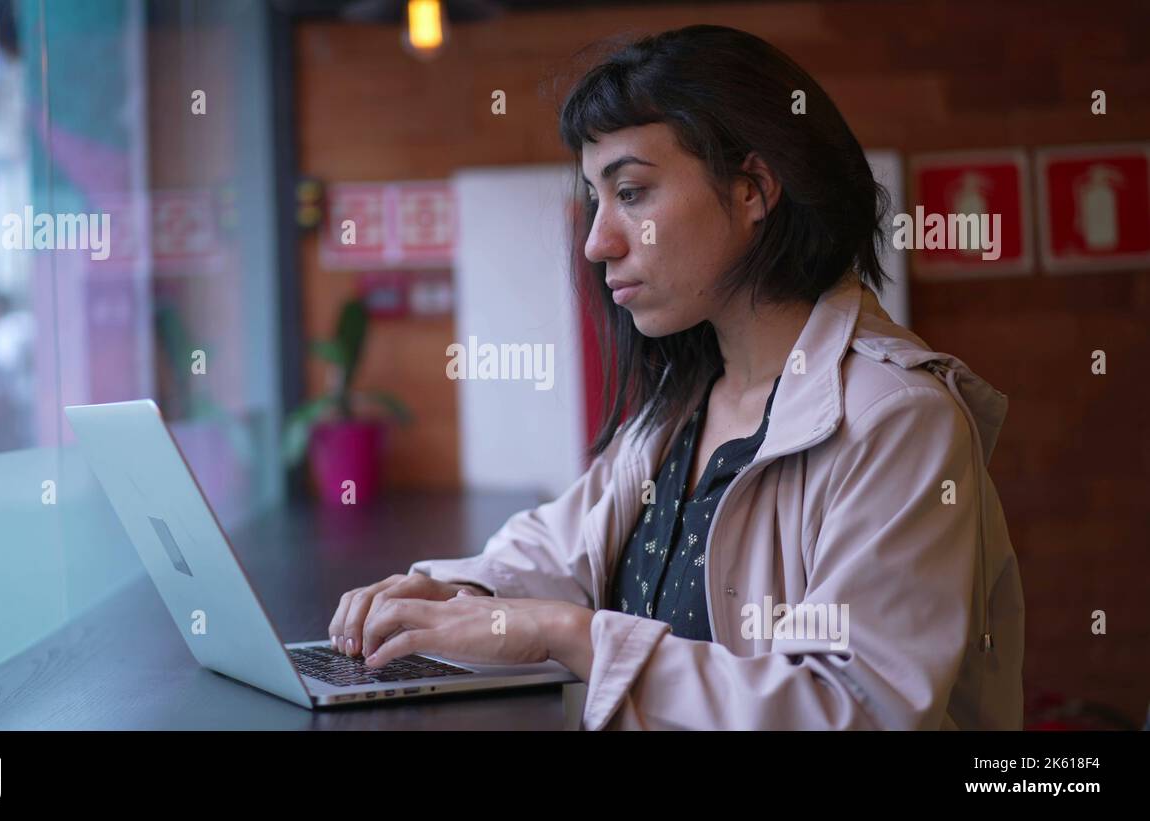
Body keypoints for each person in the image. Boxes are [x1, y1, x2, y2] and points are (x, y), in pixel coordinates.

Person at [328, 24, 1025, 730]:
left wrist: (570, 634)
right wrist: (451, 588)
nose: (598, 241)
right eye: (598, 200)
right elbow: (557, 544)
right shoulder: (682, 405)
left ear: (753, 189)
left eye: (631, 192)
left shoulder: (898, 419)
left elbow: (850, 708)